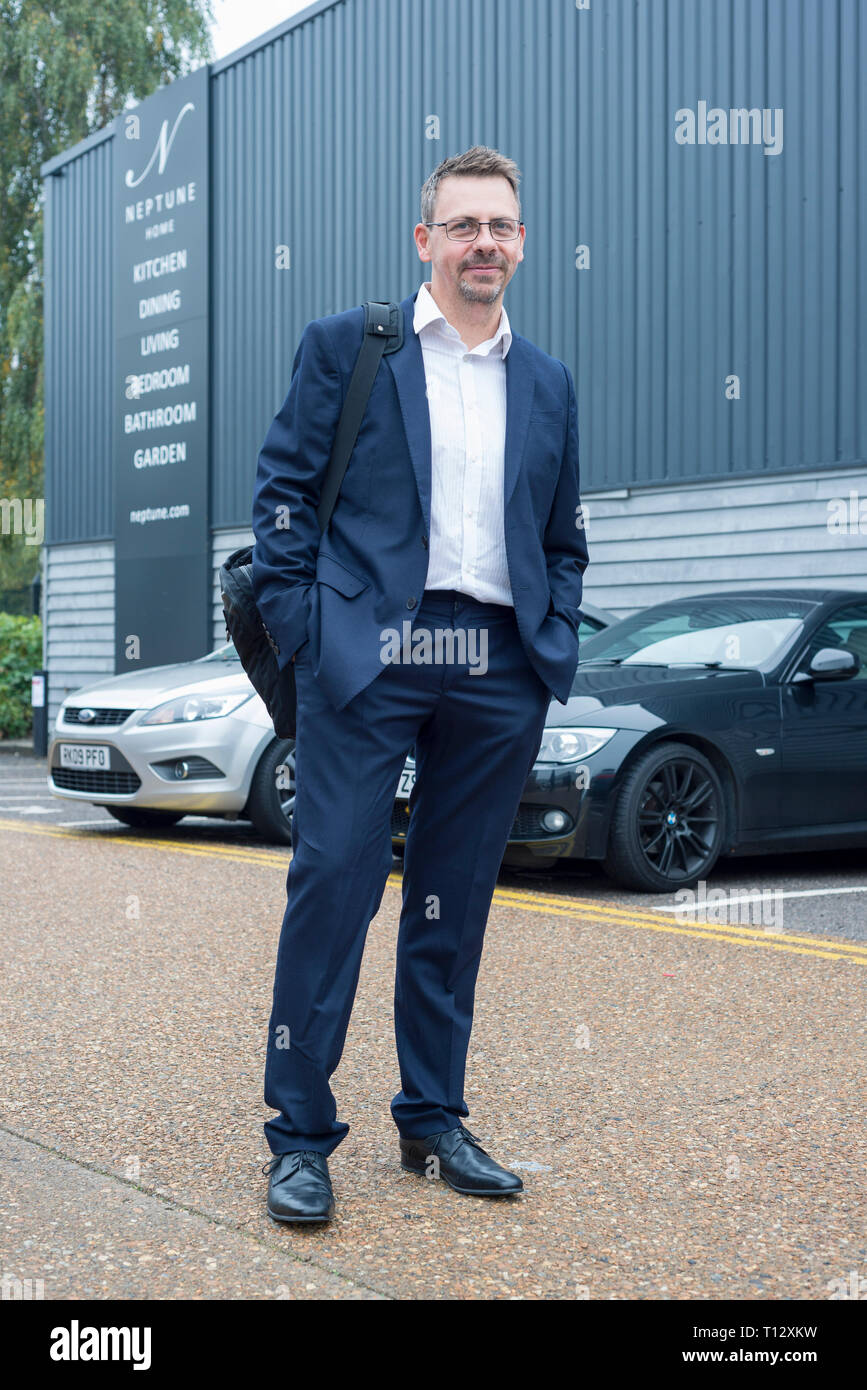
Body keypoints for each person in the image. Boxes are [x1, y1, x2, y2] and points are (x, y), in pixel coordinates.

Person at [251, 145, 589, 1222]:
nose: (482, 243)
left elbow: (563, 534)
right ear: (425, 239)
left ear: (522, 244)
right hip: (372, 655)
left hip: (497, 664)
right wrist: (308, 636)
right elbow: (282, 501)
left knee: (453, 901)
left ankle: (432, 1118)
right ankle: (300, 1135)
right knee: (333, 888)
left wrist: (552, 633)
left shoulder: (547, 381)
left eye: (500, 226)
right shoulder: (351, 348)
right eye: (462, 225)